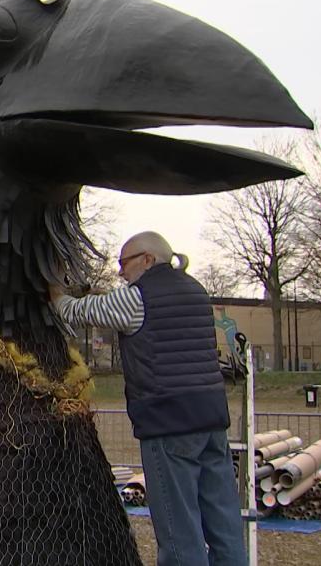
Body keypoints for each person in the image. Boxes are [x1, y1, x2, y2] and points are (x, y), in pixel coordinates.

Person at [50, 231, 244, 566]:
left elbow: (78, 311)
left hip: (169, 424)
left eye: (124, 264)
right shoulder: (196, 290)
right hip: (212, 420)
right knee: (224, 523)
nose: (121, 273)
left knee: (180, 532)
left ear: (148, 259)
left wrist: (53, 294)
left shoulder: (139, 297)